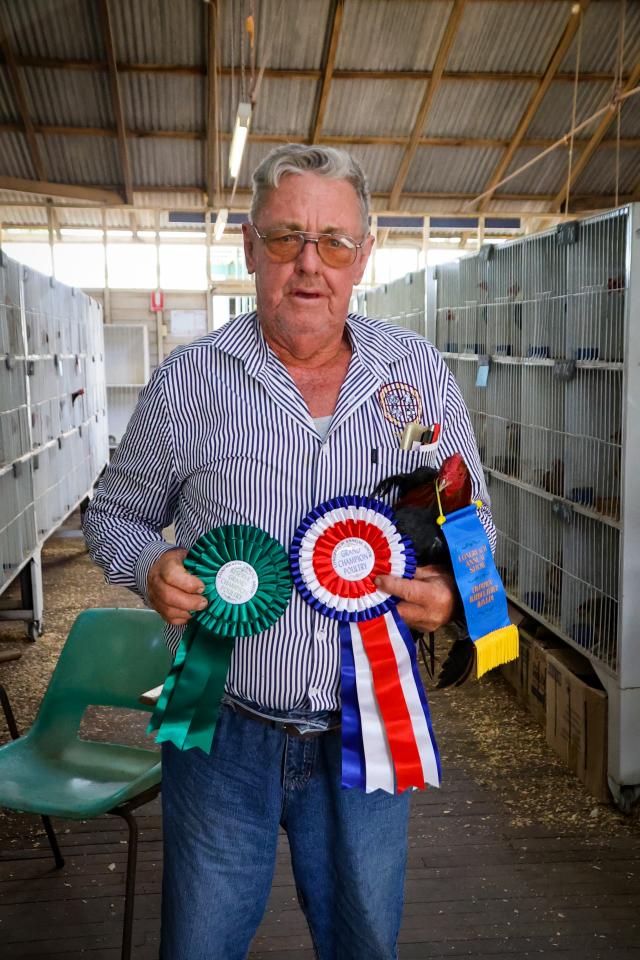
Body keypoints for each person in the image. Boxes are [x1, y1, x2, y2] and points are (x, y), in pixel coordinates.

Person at [83, 143, 495, 960]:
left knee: (365, 943)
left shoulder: (412, 374)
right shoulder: (190, 381)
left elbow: (469, 518)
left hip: (366, 734)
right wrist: (147, 569)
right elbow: (114, 515)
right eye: (285, 238)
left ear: (364, 254)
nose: (311, 265)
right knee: (198, 946)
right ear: (248, 246)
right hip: (219, 734)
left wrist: (453, 591)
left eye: (335, 241)